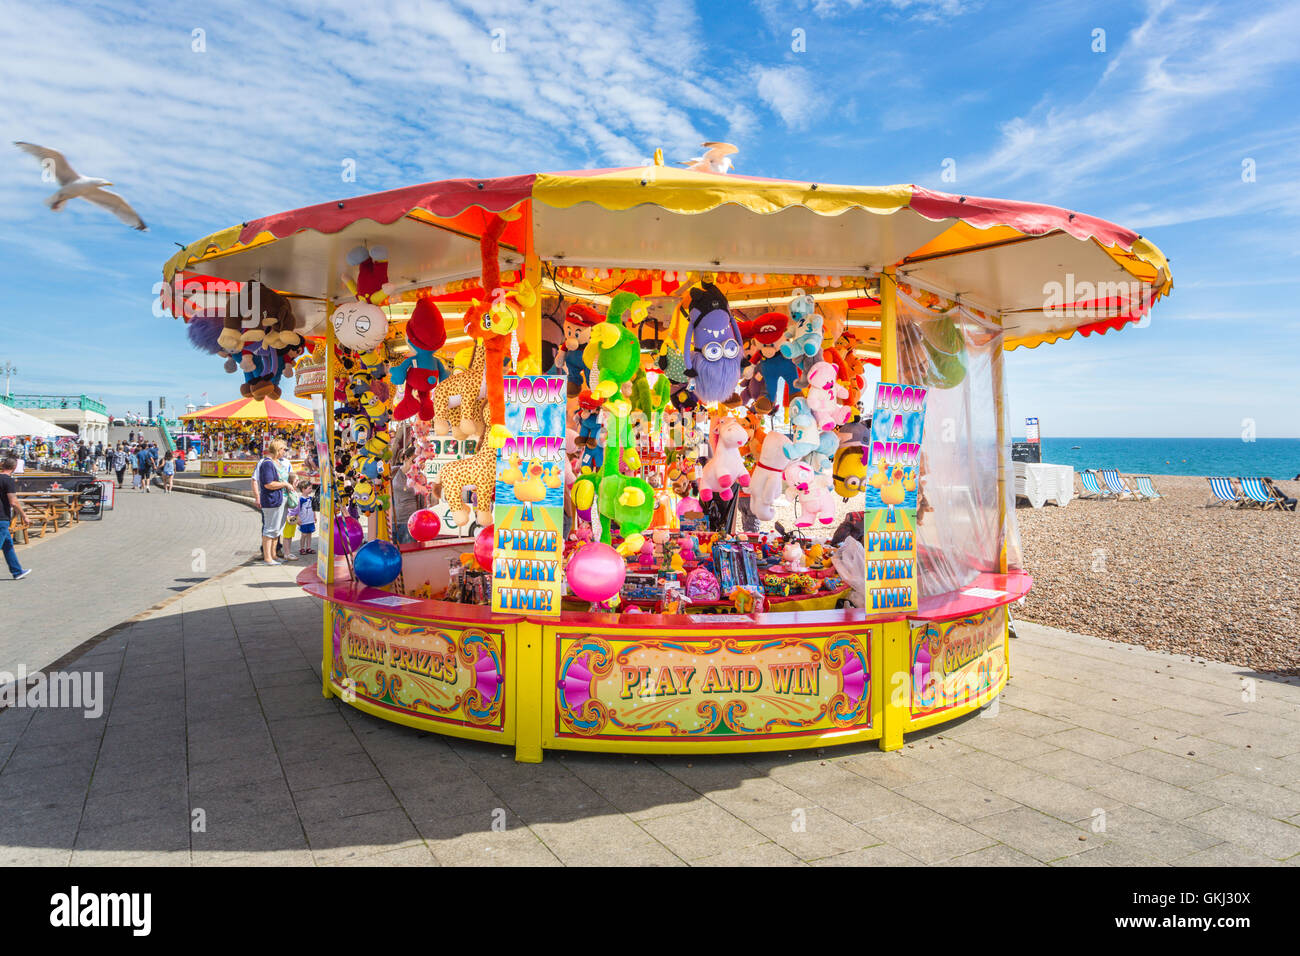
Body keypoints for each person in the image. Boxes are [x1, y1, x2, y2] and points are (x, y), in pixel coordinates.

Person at [256, 439, 293, 565]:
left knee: (277, 529)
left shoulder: (278, 462)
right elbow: (268, 484)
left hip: (280, 499)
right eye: (284, 449)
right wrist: (284, 484)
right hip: (272, 501)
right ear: (278, 449)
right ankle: (268, 557)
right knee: (270, 529)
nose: (285, 452)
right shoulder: (267, 463)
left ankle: (274, 554)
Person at [0, 457, 32, 581]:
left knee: (8, 544)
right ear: (14, 468)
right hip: (2, 517)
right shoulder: (8, 481)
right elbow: (13, 502)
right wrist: (24, 515)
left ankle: (17, 571)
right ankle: (17, 571)